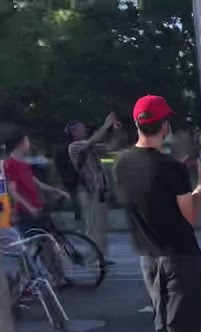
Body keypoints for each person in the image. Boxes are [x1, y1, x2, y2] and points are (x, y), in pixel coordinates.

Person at [113, 95, 201, 332]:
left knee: (162, 325)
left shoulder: (122, 164)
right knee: (180, 327)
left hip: (148, 253)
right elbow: (190, 217)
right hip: (179, 253)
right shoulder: (171, 169)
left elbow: (148, 194)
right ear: (164, 126)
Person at [4, 128, 72, 286]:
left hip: (37, 208)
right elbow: (13, 191)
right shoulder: (11, 164)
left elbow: (36, 183)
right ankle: (22, 282)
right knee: (26, 248)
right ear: (20, 143)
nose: (29, 143)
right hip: (25, 213)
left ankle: (58, 278)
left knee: (47, 244)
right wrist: (29, 207)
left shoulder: (23, 163)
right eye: (27, 140)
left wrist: (56, 191)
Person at [66, 115, 119, 262]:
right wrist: (106, 124)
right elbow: (93, 140)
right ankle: (91, 257)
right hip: (88, 191)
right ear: (74, 132)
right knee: (92, 226)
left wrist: (115, 131)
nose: (85, 130)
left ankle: (101, 256)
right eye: (81, 128)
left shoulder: (90, 146)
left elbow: (111, 147)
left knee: (101, 226)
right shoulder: (74, 147)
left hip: (100, 190)